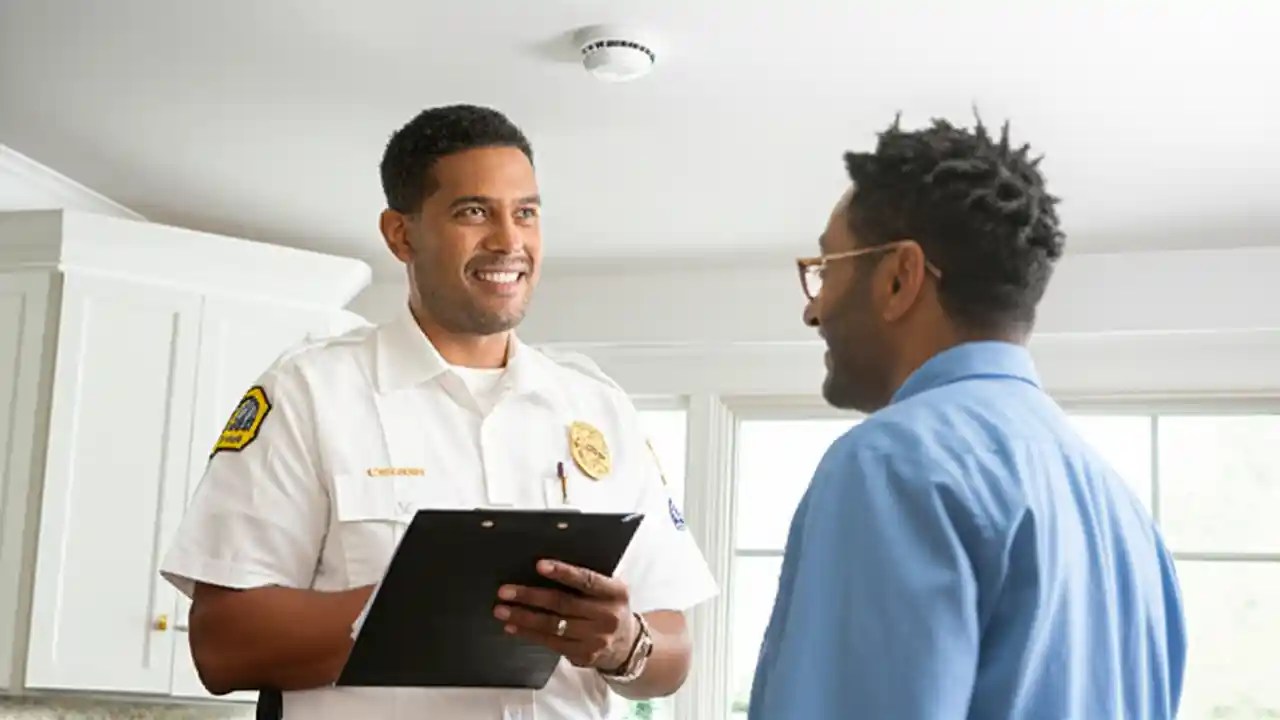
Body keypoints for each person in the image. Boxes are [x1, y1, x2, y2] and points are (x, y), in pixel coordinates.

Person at [159, 104, 717, 719]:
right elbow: (222, 644)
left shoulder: (599, 410)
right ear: (402, 234)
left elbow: (674, 649)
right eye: (474, 212)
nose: (509, 240)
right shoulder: (309, 392)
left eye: (525, 213)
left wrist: (622, 642)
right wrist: (428, 605)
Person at [748, 117, 1186, 719]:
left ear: (900, 277)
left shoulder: (891, 464)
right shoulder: (1125, 517)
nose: (813, 309)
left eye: (826, 269)